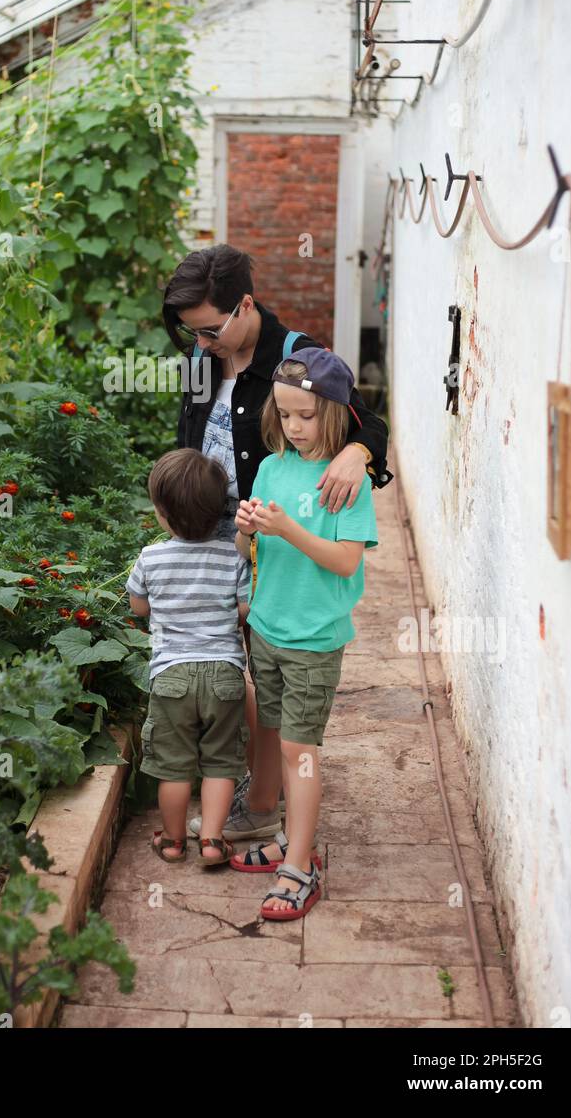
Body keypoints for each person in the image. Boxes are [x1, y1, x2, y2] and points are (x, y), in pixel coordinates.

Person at [162, 243, 391, 836]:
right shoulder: (199, 358)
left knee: (267, 669)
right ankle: (252, 783)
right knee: (234, 664)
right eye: (193, 334)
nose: (203, 343)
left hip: (274, 545)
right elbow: (190, 433)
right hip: (216, 536)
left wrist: (357, 454)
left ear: (244, 306)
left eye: (211, 330)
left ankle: (263, 802)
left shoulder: (298, 358)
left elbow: (368, 420)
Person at [230, 346, 379, 920]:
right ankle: (290, 839)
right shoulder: (271, 467)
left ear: (337, 412)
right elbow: (253, 550)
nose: (293, 427)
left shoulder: (348, 481)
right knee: (274, 730)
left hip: (313, 638)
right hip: (267, 627)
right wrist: (247, 531)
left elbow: (345, 562)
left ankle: (301, 865)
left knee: (300, 750)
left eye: (306, 416)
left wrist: (288, 527)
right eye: (285, 414)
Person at [125, 449, 251, 868]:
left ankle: (174, 841)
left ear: (162, 513)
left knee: (174, 767)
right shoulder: (233, 557)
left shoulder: (151, 558)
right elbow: (245, 610)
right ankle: (213, 840)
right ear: (219, 512)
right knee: (220, 762)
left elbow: (139, 608)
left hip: (171, 676)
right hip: (225, 676)